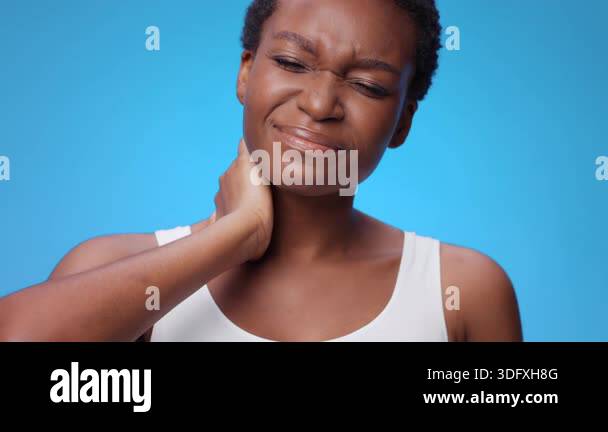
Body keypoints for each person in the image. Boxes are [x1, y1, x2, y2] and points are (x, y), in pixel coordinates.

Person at [0, 0, 522, 342]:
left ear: (403, 119)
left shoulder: (459, 293)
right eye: (293, 64)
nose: (320, 104)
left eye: (367, 85)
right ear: (246, 73)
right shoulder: (115, 270)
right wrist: (235, 237)